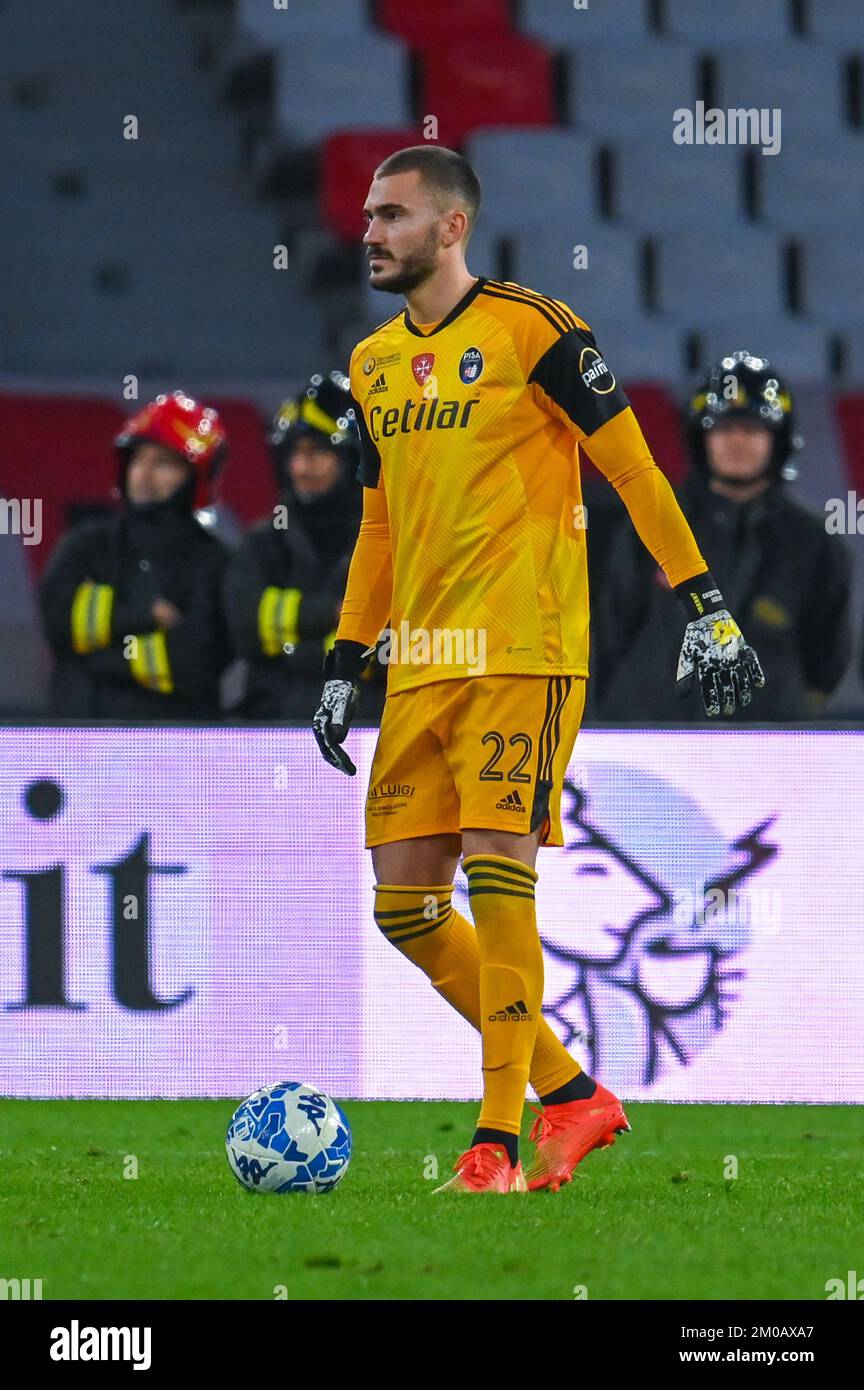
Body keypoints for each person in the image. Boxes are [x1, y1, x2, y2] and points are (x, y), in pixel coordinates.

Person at [311, 145, 764, 1194]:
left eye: (393, 214)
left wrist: (704, 601)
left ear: (452, 227)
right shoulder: (375, 365)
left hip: (525, 648)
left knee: (498, 877)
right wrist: (347, 657)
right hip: (421, 662)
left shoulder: (537, 331)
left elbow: (633, 467)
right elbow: (378, 527)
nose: (370, 231)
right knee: (405, 906)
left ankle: (494, 1141)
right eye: (370, 215)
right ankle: (576, 1094)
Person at [596, 352, 852, 722]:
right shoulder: (652, 521)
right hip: (647, 745)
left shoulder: (815, 544)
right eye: (723, 428)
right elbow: (609, 632)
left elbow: (828, 658)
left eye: (751, 430)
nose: (736, 441)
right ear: (701, 435)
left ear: (777, 439)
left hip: (766, 749)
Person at [39, 391, 232, 719]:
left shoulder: (216, 561)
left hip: (176, 751)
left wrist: (95, 653)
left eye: (162, 463)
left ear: (194, 476)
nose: (143, 473)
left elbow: (194, 667)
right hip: (79, 744)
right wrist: (147, 617)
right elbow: (58, 626)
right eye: (138, 459)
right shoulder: (84, 546)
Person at [224, 371, 383, 721]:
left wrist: (288, 641)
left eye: (316, 452)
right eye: (293, 453)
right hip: (269, 734)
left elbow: (393, 653)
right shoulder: (261, 543)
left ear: (352, 456)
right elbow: (244, 632)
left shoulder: (387, 544)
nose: (300, 467)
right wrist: (332, 617)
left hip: (364, 735)